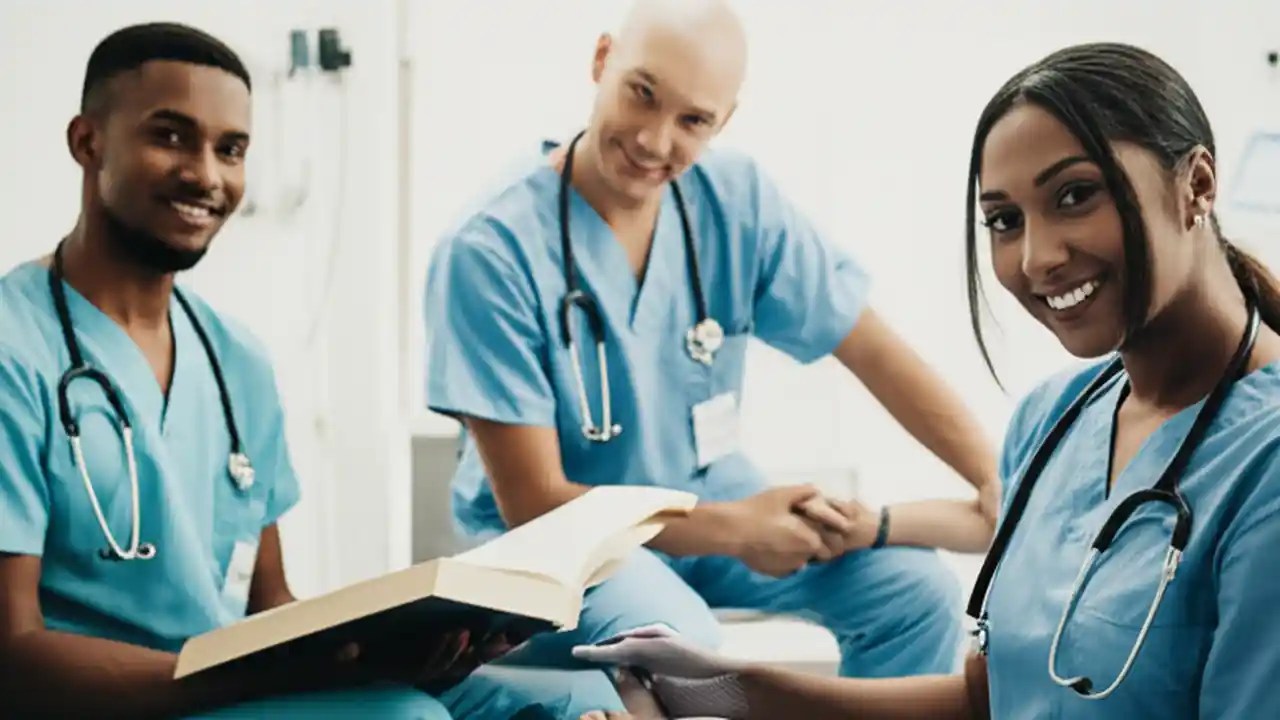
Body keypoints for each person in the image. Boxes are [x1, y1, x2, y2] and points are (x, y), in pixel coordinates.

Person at [568, 41, 1280, 720]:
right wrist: (729, 692)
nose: (1036, 258)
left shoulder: (1264, 461)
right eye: (1003, 220)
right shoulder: (1053, 421)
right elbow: (984, 702)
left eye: (1074, 196)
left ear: (1198, 185)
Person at [0, 22, 631, 720]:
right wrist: (283, 677)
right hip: (119, 704)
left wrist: (389, 647)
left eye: (230, 148)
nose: (206, 175)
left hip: (237, 687)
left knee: (582, 699)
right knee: (408, 718)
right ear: (87, 141)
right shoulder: (14, 348)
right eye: (170, 136)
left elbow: (268, 604)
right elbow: (13, 655)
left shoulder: (235, 359)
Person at [422, 0, 1002, 690]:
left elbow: (872, 348)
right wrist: (735, 529)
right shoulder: (490, 251)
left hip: (710, 500)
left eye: (693, 119)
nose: (655, 140)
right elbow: (534, 500)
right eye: (643, 94)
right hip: (561, 545)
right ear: (602, 60)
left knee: (916, 594)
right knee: (678, 641)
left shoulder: (735, 201)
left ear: (723, 120)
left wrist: (998, 482)